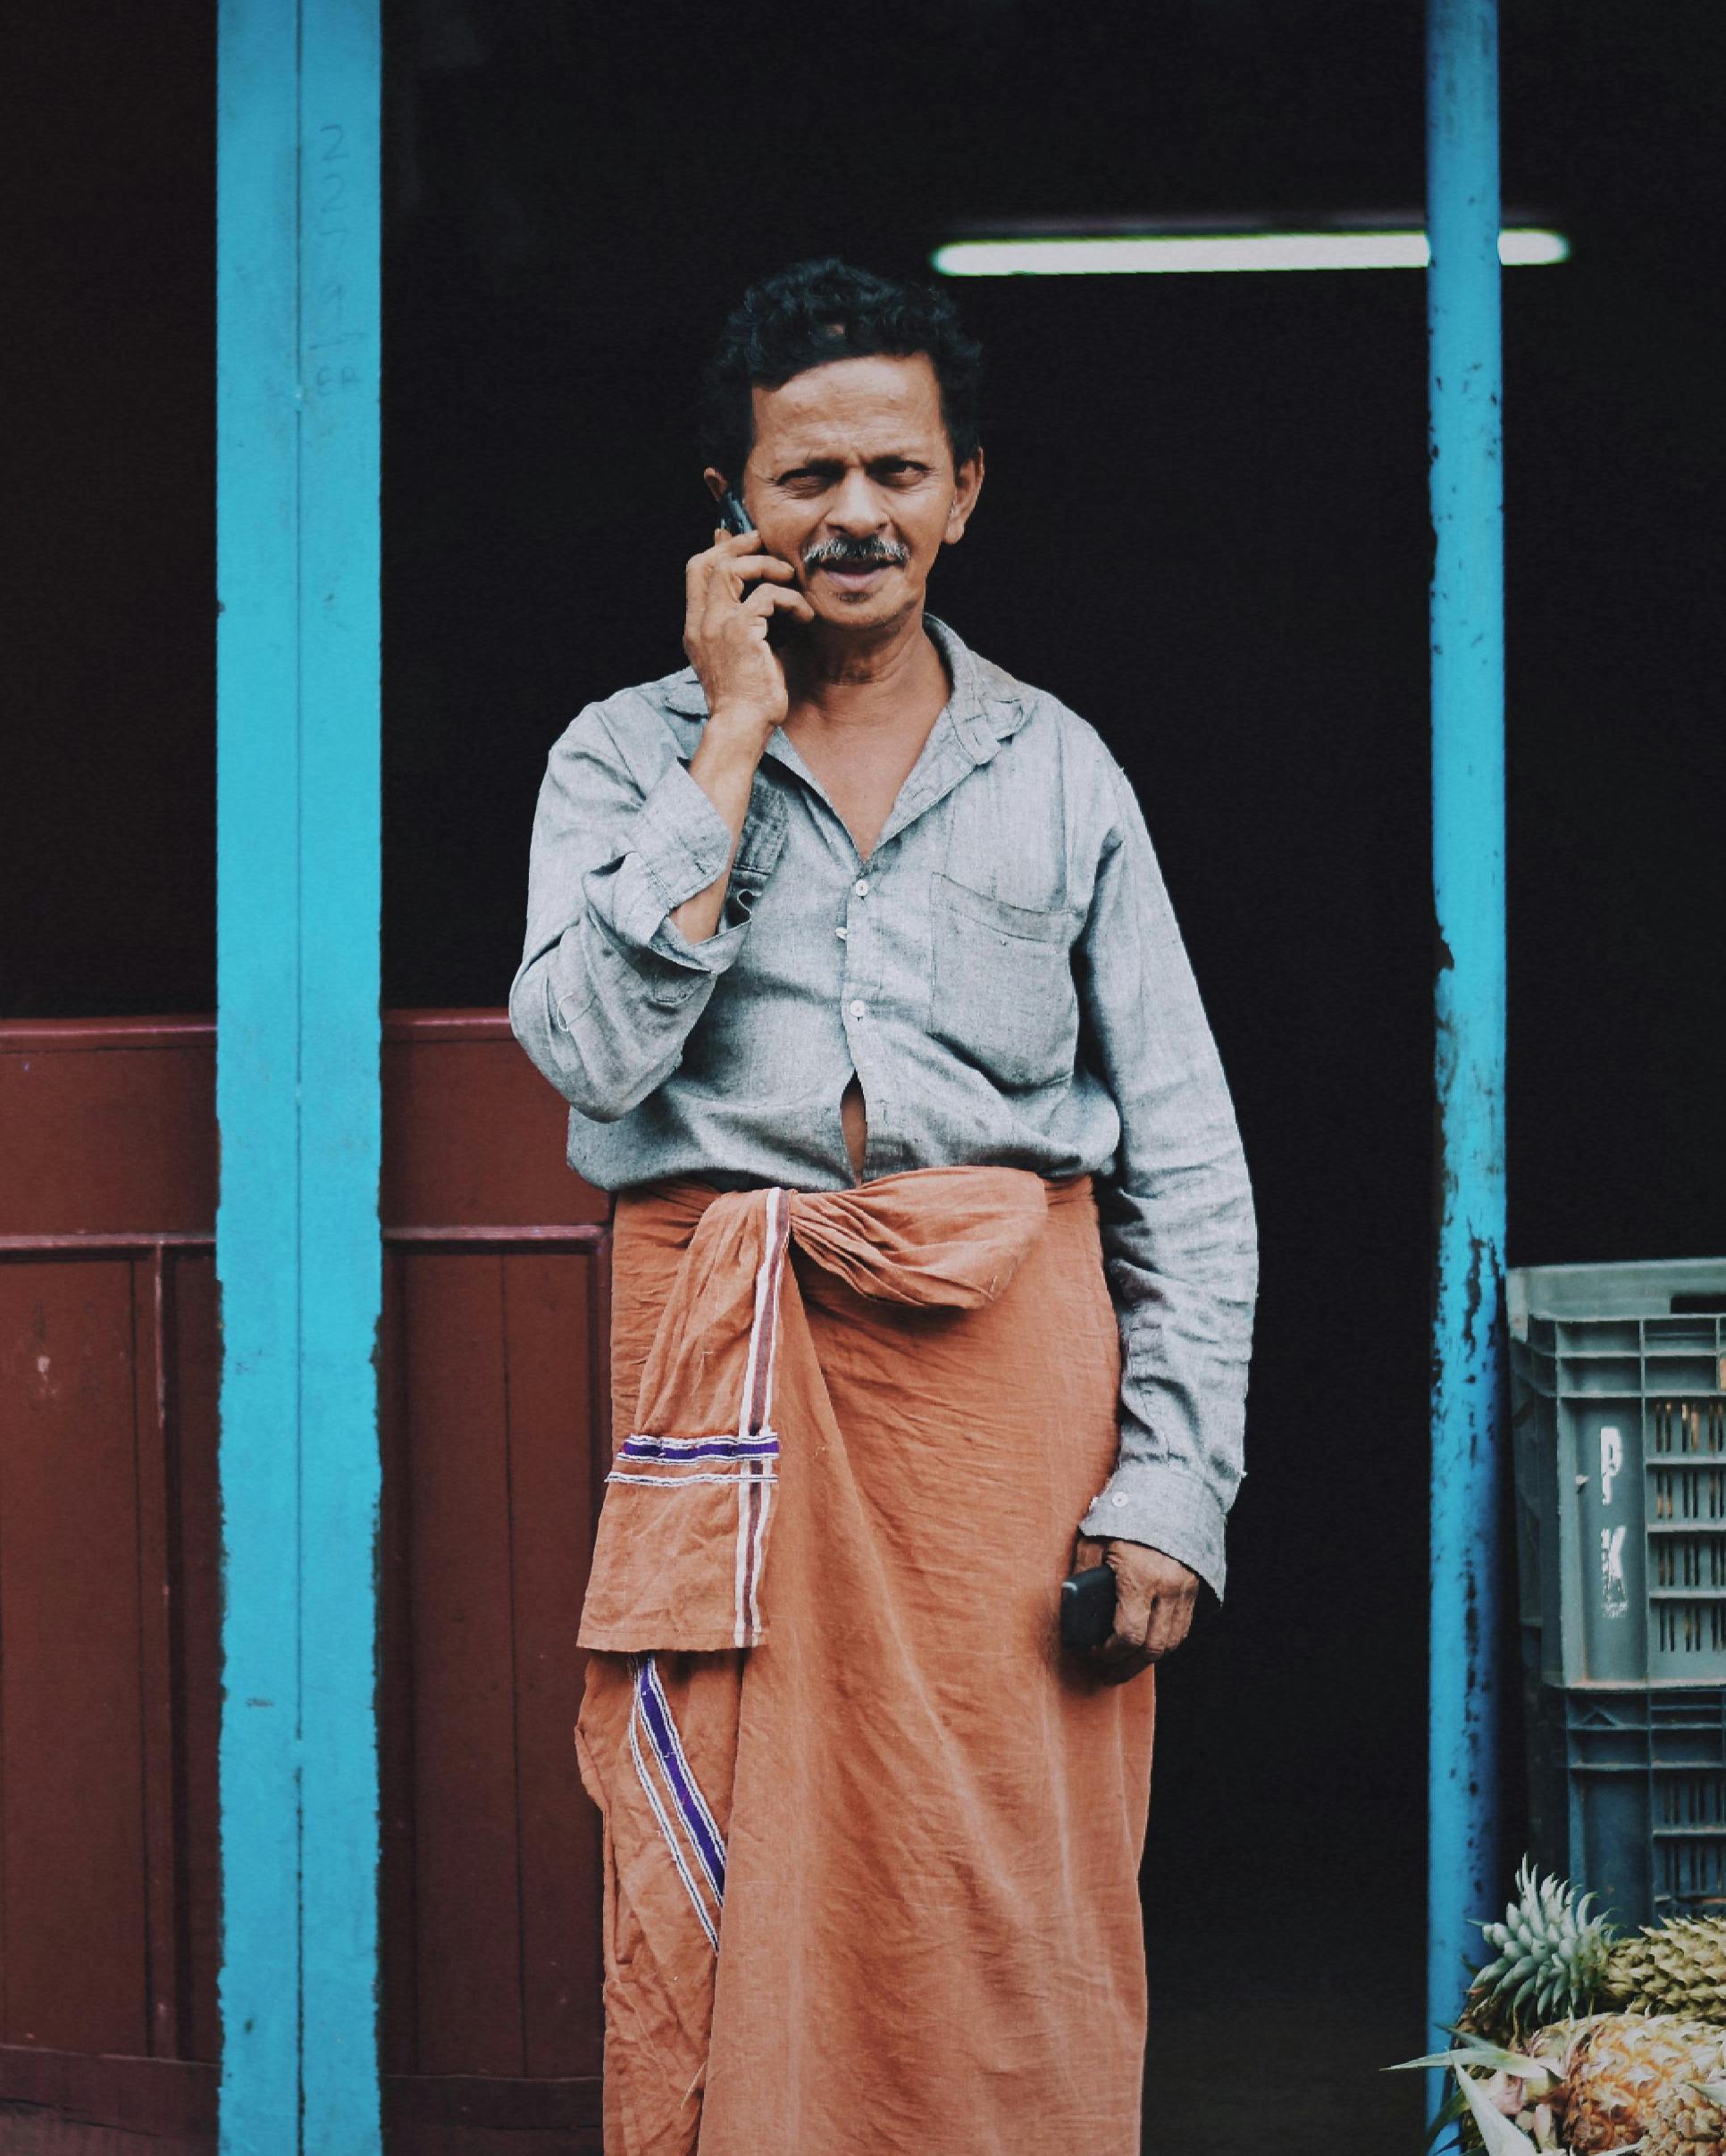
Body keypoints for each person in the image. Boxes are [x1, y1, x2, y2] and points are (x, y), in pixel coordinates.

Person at [509, 258, 1257, 2156]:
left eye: (899, 472)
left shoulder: (1063, 770)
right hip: (732, 1400)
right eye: (806, 476)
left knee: (1015, 1890)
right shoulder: (618, 759)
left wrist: (1173, 1485)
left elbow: (1185, 1157)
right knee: (742, 1862)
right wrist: (726, 741)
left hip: (1009, 1437)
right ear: (730, 507)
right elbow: (589, 1053)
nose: (855, 514)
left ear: (968, 489)